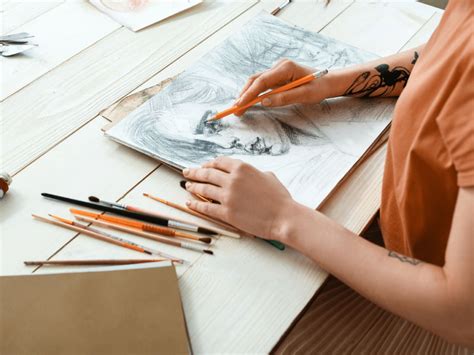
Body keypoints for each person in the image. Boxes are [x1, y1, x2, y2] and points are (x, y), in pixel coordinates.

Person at [182, 0, 473, 346]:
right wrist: (334, 82)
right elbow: (452, 53)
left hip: (421, 319)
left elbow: (461, 314)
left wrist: (282, 217)